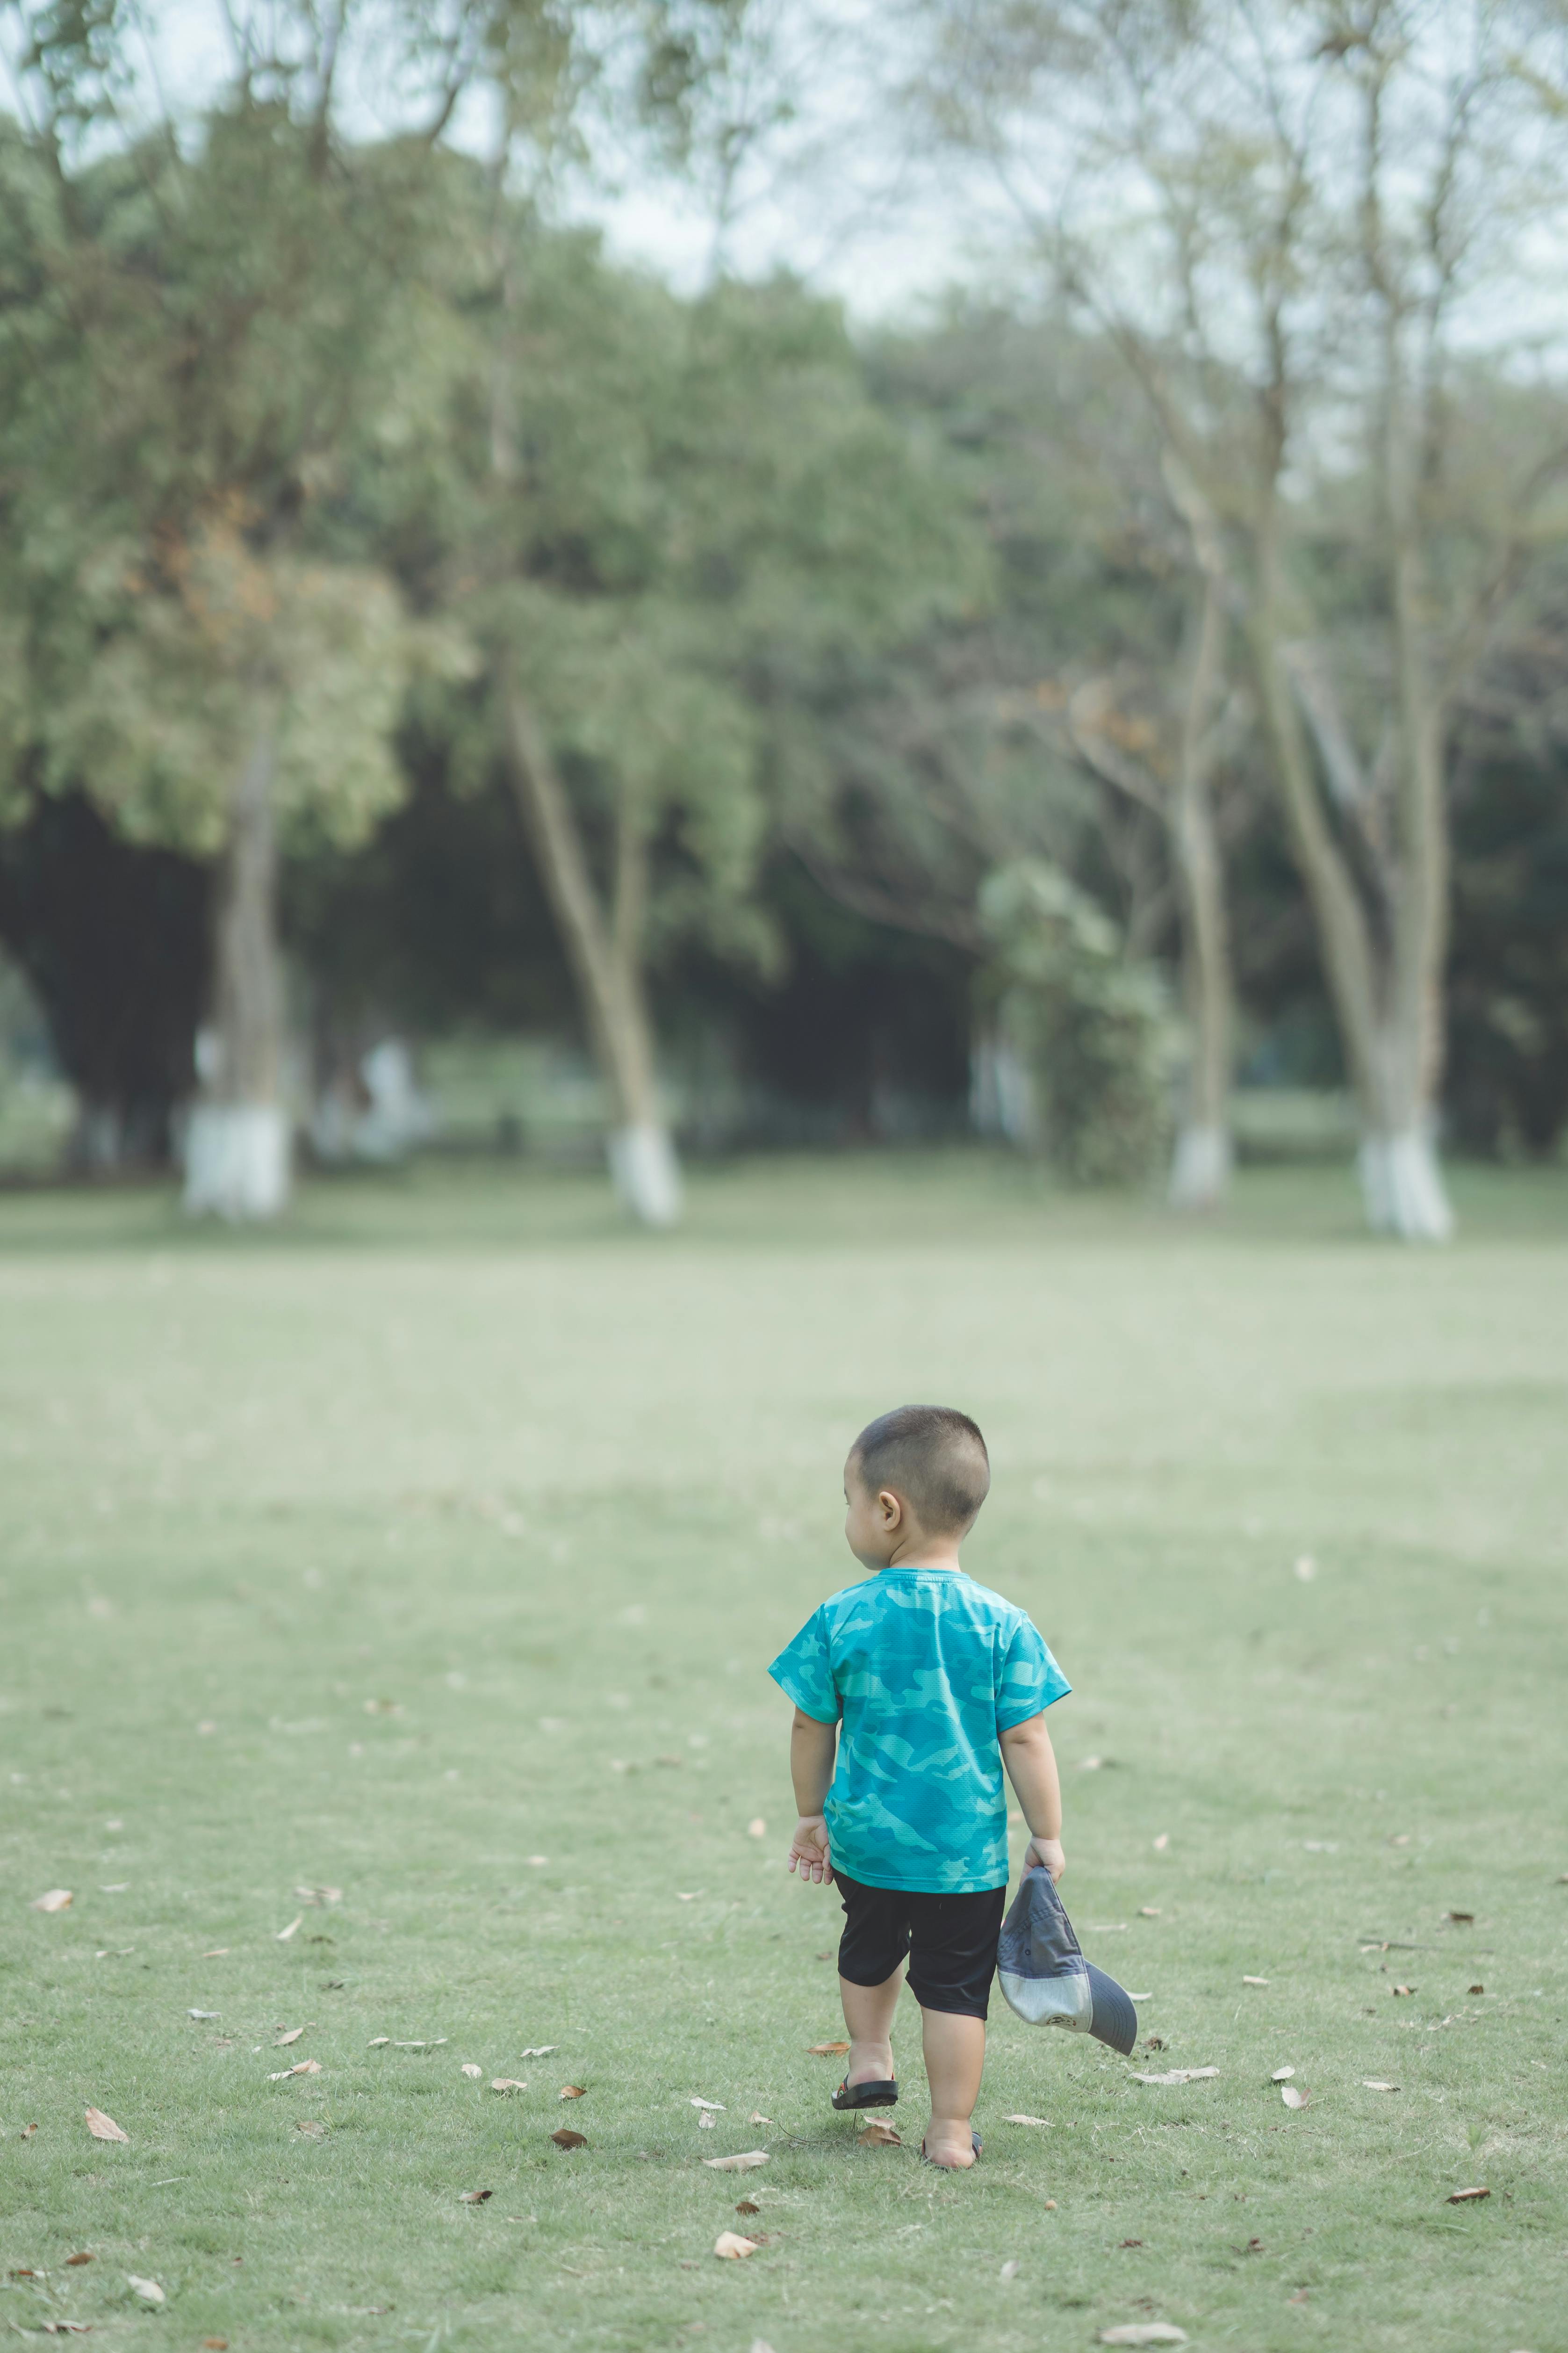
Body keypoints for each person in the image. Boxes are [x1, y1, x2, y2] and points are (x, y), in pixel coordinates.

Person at [768, 1404, 1070, 2169]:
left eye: (848, 1502)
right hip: (963, 1857)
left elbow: (811, 1725)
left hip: (867, 1843)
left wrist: (810, 1814)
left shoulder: (842, 1616)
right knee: (954, 1988)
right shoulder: (1002, 1624)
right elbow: (1027, 1737)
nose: (848, 1518)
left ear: (887, 1509)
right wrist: (1046, 1833)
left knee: (868, 1944)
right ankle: (949, 2133)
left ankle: (870, 2056)